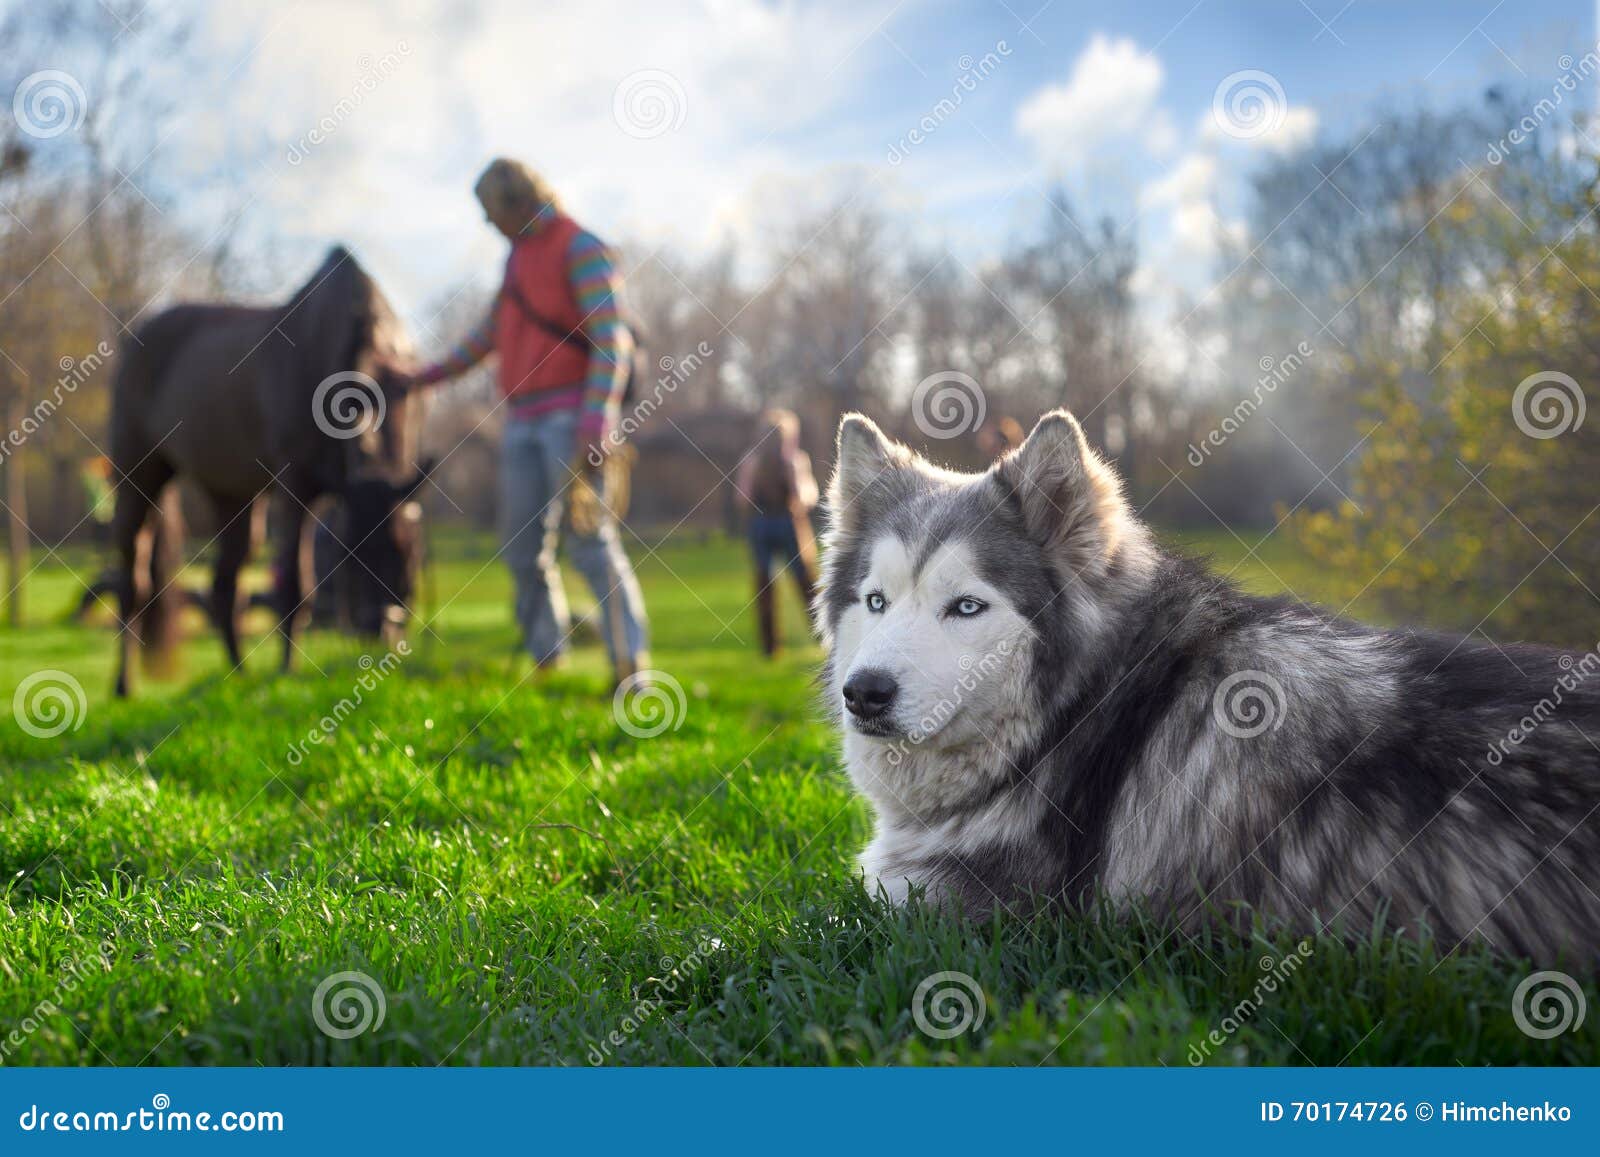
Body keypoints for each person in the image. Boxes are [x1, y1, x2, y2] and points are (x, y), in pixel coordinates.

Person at [389, 158, 648, 682]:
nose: (486, 223)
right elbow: (488, 335)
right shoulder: (515, 261)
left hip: (573, 415)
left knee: (589, 542)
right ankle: (547, 660)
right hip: (522, 420)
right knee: (520, 548)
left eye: (490, 211)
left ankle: (630, 668)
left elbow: (610, 338)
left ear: (516, 200)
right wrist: (424, 376)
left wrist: (596, 418)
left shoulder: (579, 247)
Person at [734, 409, 818, 657]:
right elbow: (805, 497)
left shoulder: (752, 459)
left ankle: (770, 647)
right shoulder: (794, 460)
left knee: (766, 583)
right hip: (787, 522)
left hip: (762, 523)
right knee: (804, 580)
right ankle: (823, 635)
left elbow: (741, 498)